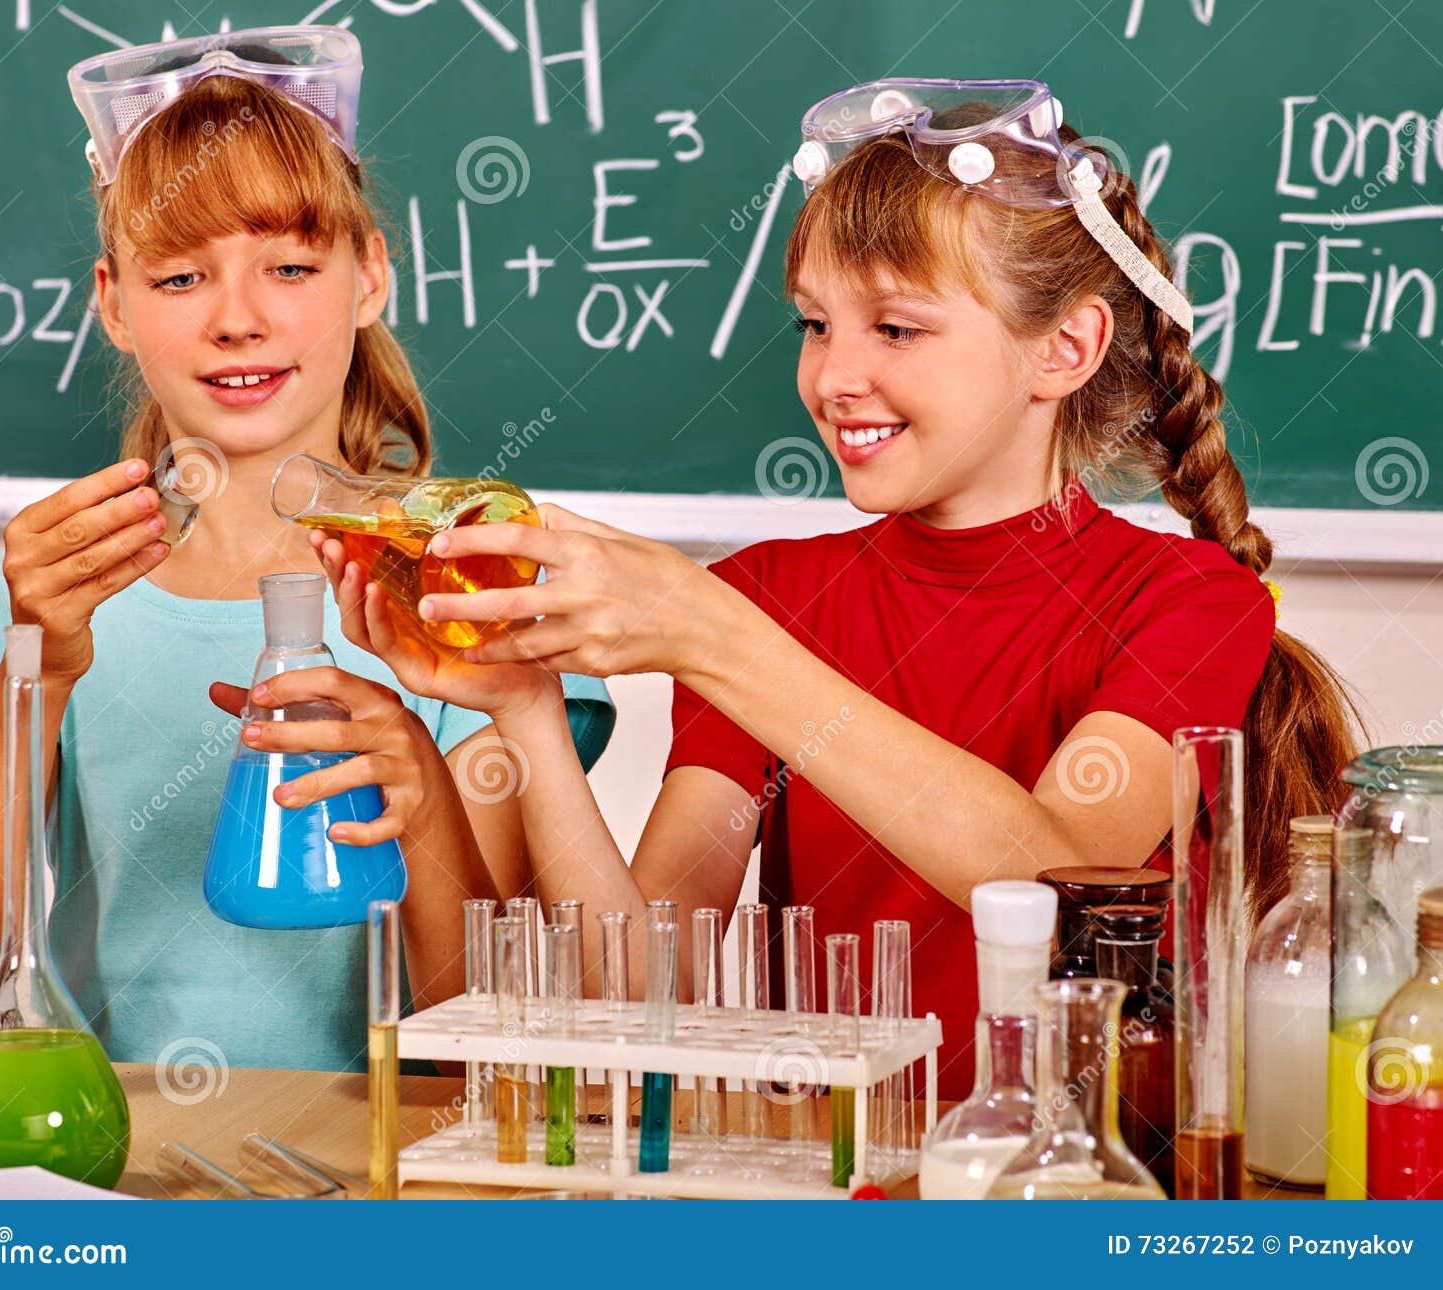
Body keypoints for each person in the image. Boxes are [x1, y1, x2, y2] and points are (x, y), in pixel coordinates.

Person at [312, 79, 1358, 1097]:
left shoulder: (1188, 599)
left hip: (1066, 1187)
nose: (831, 377)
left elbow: (1052, 879)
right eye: (815, 324)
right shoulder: (769, 596)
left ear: (1064, 348)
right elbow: (634, 997)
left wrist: (716, 636)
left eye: (894, 329)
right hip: (836, 1182)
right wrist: (530, 712)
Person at [0, 28, 612, 1074]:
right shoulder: (42, 589)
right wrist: (39, 665)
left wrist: (424, 791)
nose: (239, 319)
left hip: (380, 1179)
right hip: (98, 1163)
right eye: (179, 280)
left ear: (371, 278)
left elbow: (480, 1035)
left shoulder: (466, 580)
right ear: (113, 304)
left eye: (292, 266)